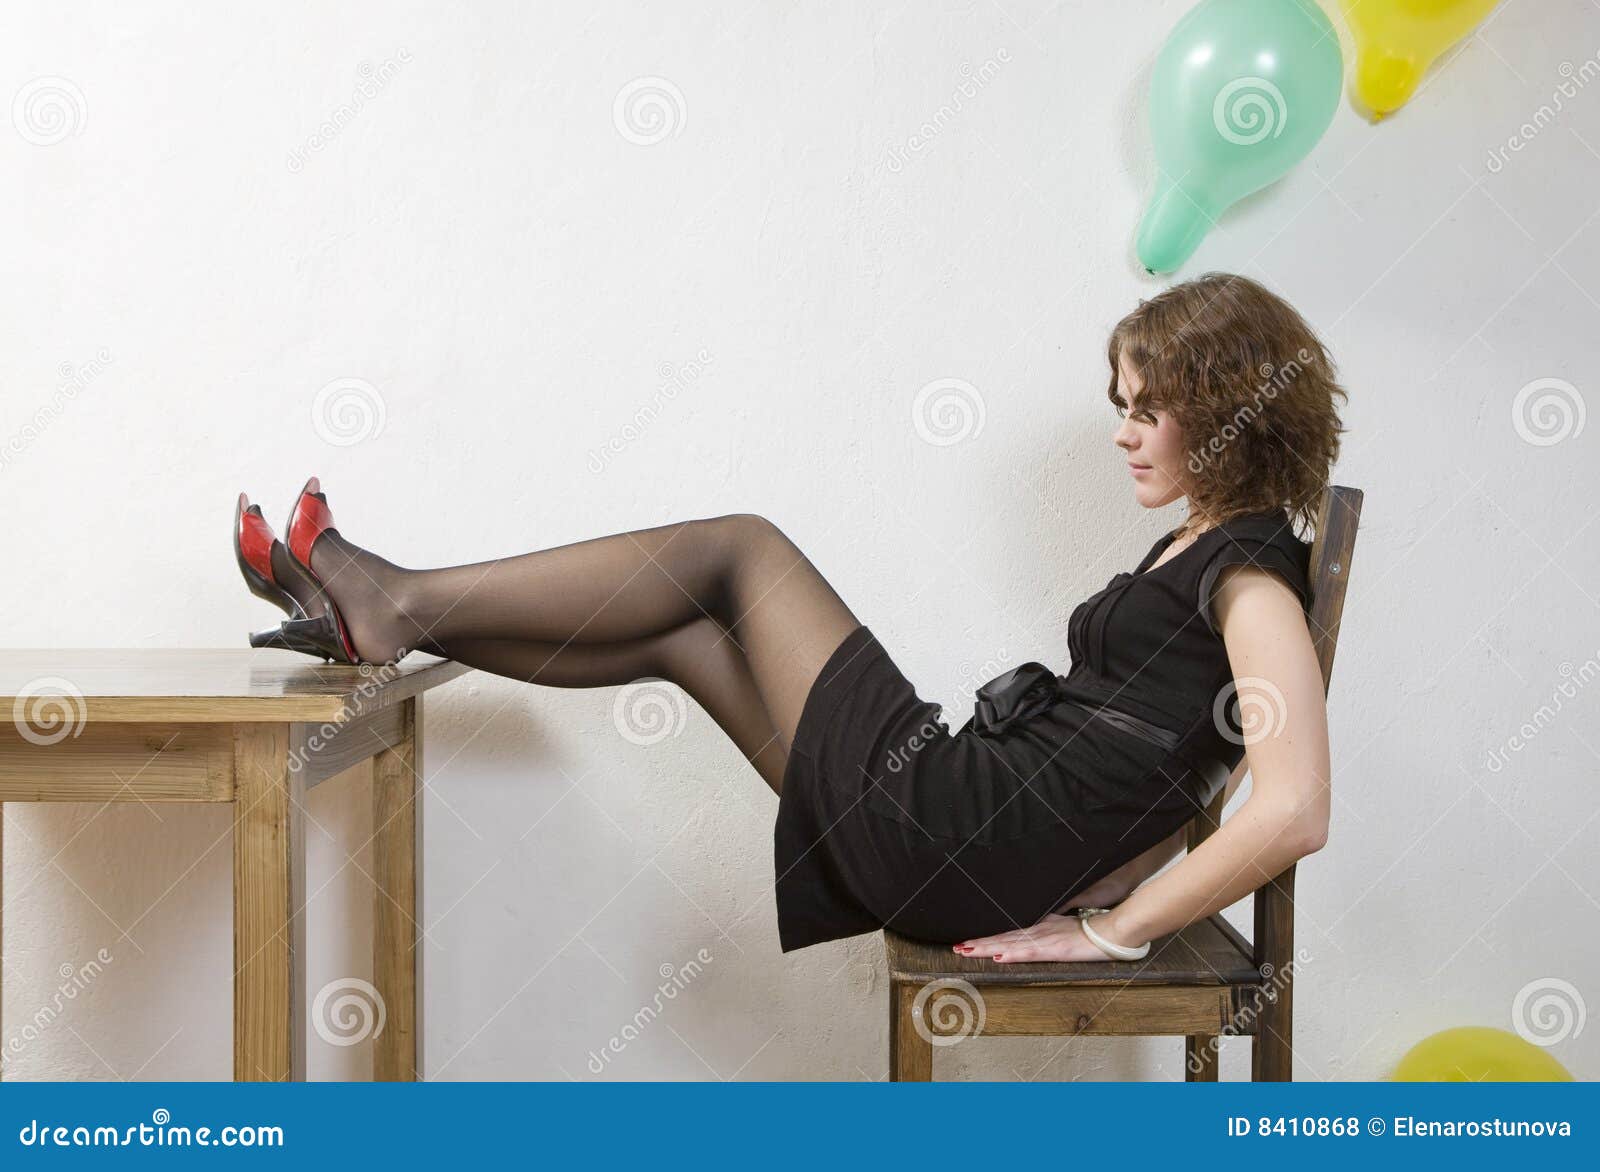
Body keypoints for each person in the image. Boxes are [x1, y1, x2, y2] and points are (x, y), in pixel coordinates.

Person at [232, 271, 1346, 962]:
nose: (1125, 432)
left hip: (960, 829)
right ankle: (393, 621)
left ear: (1227, 408)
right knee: (684, 634)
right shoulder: (1200, 545)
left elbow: (1288, 802)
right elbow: (1186, 761)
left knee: (740, 548)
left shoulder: (1247, 575)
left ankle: (394, 597)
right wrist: (1113, 870)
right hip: (973, 822)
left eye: (1149, 408)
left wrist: (1112, 926)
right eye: (1122, 407)